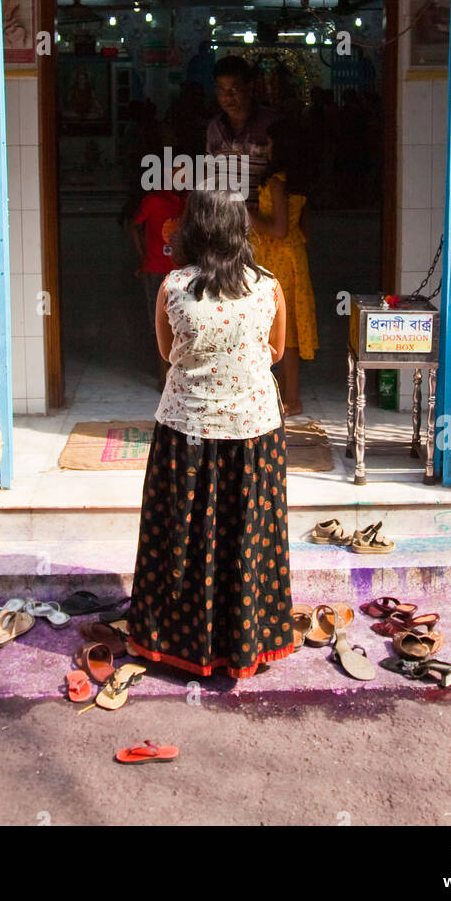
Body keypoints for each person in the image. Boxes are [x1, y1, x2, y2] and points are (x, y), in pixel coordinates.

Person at [127, 189, 294, 679]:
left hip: (186, 432)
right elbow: (277, 352)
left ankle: (180, 644)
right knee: (247, 539)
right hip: (255, 433)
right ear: (240, 230)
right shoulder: (269, 286)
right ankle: (247, 642)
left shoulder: (173, 286)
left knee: (182, 535)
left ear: (194, 229)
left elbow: (165, 351)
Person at [248, 119, 318, 416]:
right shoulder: (298, 181)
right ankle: (289, 395)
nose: (266, 147)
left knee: (277, 329)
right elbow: (303, 229)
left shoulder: (276, 182)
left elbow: (277, 229)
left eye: (270, 142)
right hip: (294, 258)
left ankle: (290, 399)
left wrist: (249, 216)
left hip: (275, 258)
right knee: (288, 329)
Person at [129, 167, 187, 387]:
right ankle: (165, 379)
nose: (180, 178)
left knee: (183, 323)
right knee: (159, 326)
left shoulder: (189, 200)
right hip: (155, 271)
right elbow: (134, 226)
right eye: (176, 173)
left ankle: (179, 376)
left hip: (183, 272)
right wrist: (143, 258)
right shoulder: (154, 199)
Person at [206, 55, 277, 205]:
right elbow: (210, 173)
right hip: (223, 219)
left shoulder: (271, 123)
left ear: (249, 87)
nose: (227, 97)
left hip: (261, 222)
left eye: (234, 89)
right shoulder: (215, 127)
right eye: (221, 90)